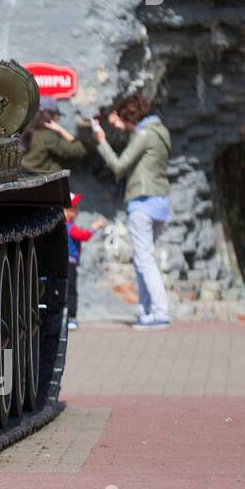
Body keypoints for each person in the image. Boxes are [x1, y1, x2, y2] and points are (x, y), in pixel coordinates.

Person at [91, 93, 172, 330]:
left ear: (131, 117)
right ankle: (146, 312)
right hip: (161, 201)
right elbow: (144, 152)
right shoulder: (160, 131)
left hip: (142, 202)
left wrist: (101, 140)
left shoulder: (143, 134)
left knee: (144, 259)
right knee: (144, 259)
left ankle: (159, 313)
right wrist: (124, 126)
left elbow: (119, 166)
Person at [64, 193, 105, 330]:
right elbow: (84, 235)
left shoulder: (66, 226)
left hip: (67, 262)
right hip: (69, 263)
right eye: (74, 207)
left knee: (67, 290)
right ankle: (71, 317)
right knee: (71, 290)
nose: (77, 210)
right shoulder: (69, 227)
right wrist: (94, 227)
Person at [21, 96, 87, 174]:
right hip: (43, 177)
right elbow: (77, 151)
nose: (58, 119)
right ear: (50, 115)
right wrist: (61, 130)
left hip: (24, 175)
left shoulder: (23, 129)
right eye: (57, 116)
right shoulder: (48, 135)